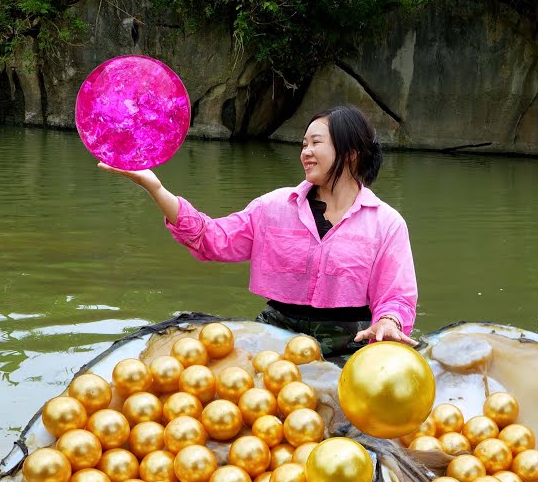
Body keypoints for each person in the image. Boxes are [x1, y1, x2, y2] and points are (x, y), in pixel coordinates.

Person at [101, 104, 417, 358]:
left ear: (351, 152)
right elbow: (210, 240)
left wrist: (388, 322)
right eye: (303, 143)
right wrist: (156, 188)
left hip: (349, 346)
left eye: (316, 142)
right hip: (274, 340)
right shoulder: (273, 207)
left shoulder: (386, 224)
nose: (305, 151)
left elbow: (396, 296)